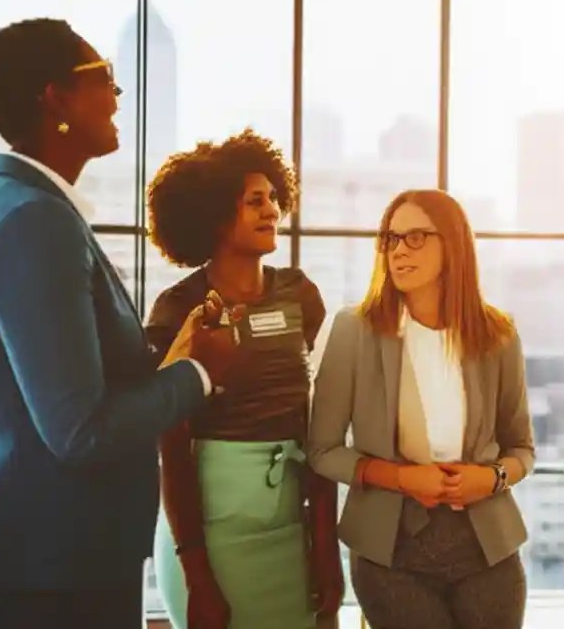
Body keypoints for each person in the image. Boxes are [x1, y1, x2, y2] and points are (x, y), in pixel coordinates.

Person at [0, 19, 241, 628]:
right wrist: (200, 373)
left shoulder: (12, 203)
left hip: (45, 552)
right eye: (104, 78)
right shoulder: (32, 220)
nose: (118, 96)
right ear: (58, 98)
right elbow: (79, 430)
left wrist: (173, 359)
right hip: (43, 561)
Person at [143, 129, 343, 629]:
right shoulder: (177, 308)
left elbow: (314, 422)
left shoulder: (300, 294)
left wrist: (325, 546)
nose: (271, 210)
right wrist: (197, 575)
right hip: (209, 537)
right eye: (255, 201)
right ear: (213, 213)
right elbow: (170, 445)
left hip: (289, 526)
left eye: (274, 198)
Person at [308, 189, 534, 629]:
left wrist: (490, 478)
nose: (398, 251)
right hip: (390, 554)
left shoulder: (497, 336)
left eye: (415, 237)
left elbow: (522, 448)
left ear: (452, 244)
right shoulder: (353, 331)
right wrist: (401, 478)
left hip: (488, 550)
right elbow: (323, 451)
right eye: (391, 239)